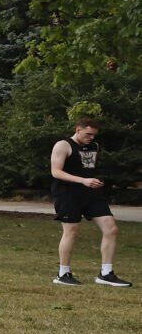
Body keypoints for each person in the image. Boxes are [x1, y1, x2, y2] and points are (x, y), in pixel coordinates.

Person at [50, 116, 129, 287]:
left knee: (111, 229)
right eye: (88, 134)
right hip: (67, 194)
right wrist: (82, 180)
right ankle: (63, 274)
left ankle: (106, 274)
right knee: (71, 232)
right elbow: (56, 171)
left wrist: (94, 181)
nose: (91, 137)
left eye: (94, 135)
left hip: (91, 193)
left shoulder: (94, 146)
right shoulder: (63, 145)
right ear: (78, 130)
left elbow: (88, 168)